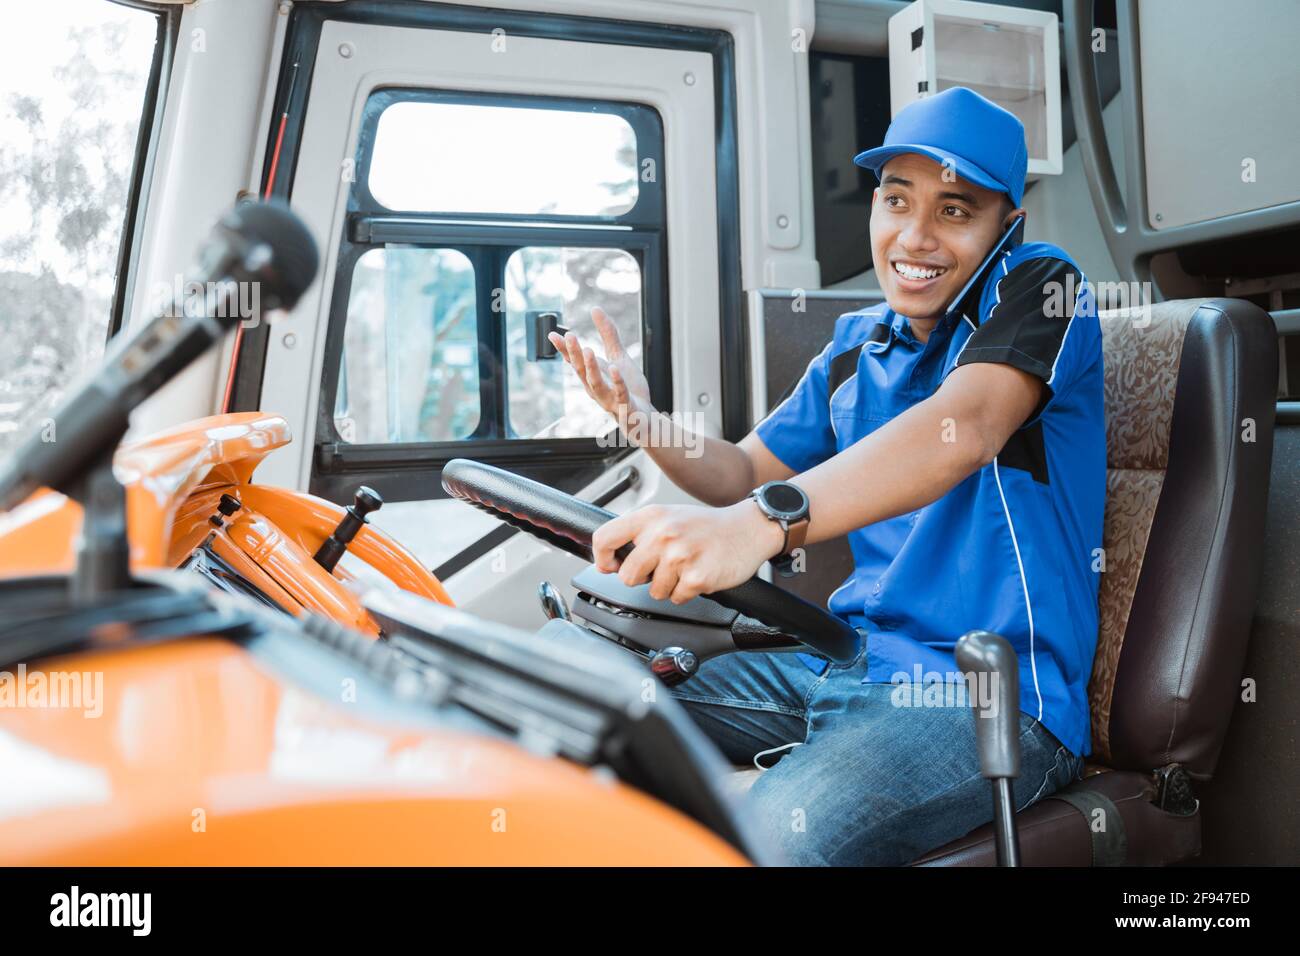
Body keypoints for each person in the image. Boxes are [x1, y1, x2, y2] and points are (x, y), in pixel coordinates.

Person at [548, 86, 1104, 866]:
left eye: (955, 210)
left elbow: (965, 429)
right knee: (556, 671)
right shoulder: (855, 342)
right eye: (897, 200)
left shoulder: (1046, 288)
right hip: (843, 662)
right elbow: (737, 469)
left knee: (765, 846)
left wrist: (757, 524)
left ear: (1007, 228)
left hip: (982, 698)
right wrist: (643, 419)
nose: (916, 236)